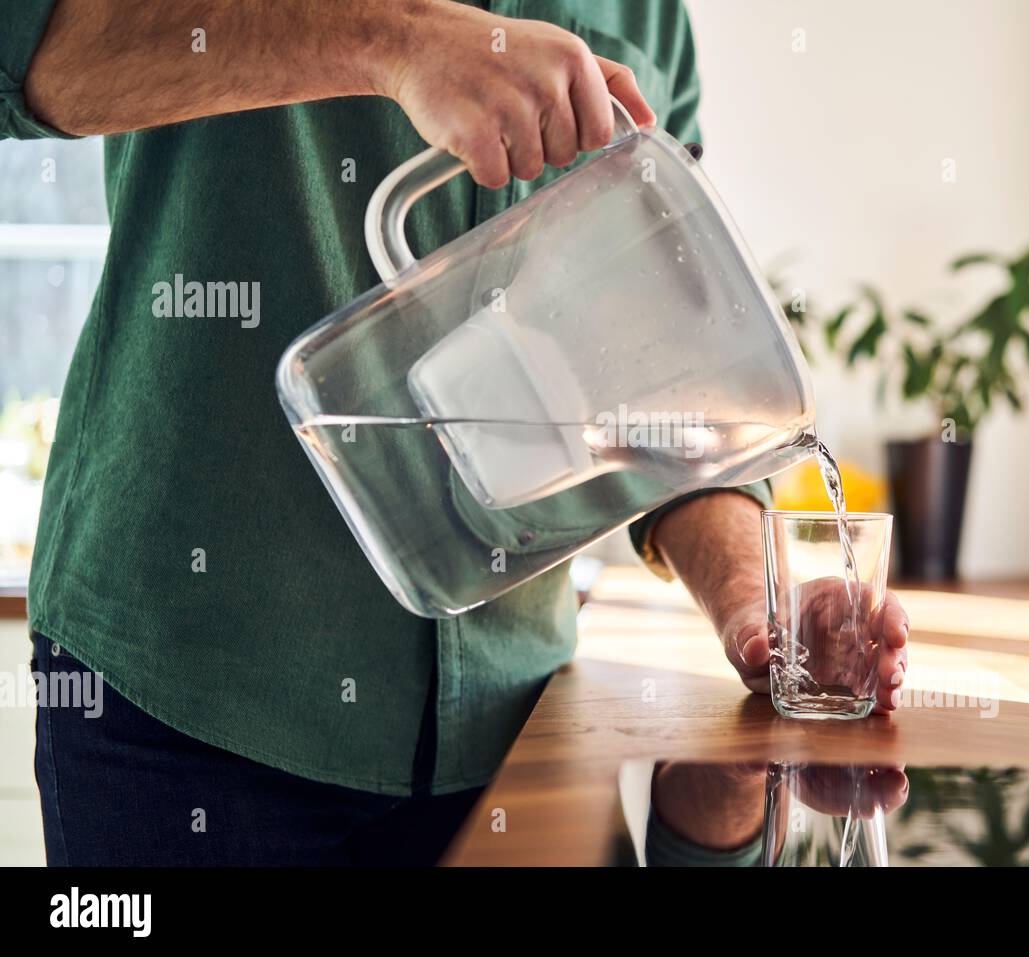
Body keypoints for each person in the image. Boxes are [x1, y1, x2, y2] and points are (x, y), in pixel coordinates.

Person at [3, 0, 910, 865]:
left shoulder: (649, 14)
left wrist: (756, 605)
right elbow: (32, 44)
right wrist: (391, 39)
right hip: (188, 704)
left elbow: (659, 396)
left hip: (511, 730)